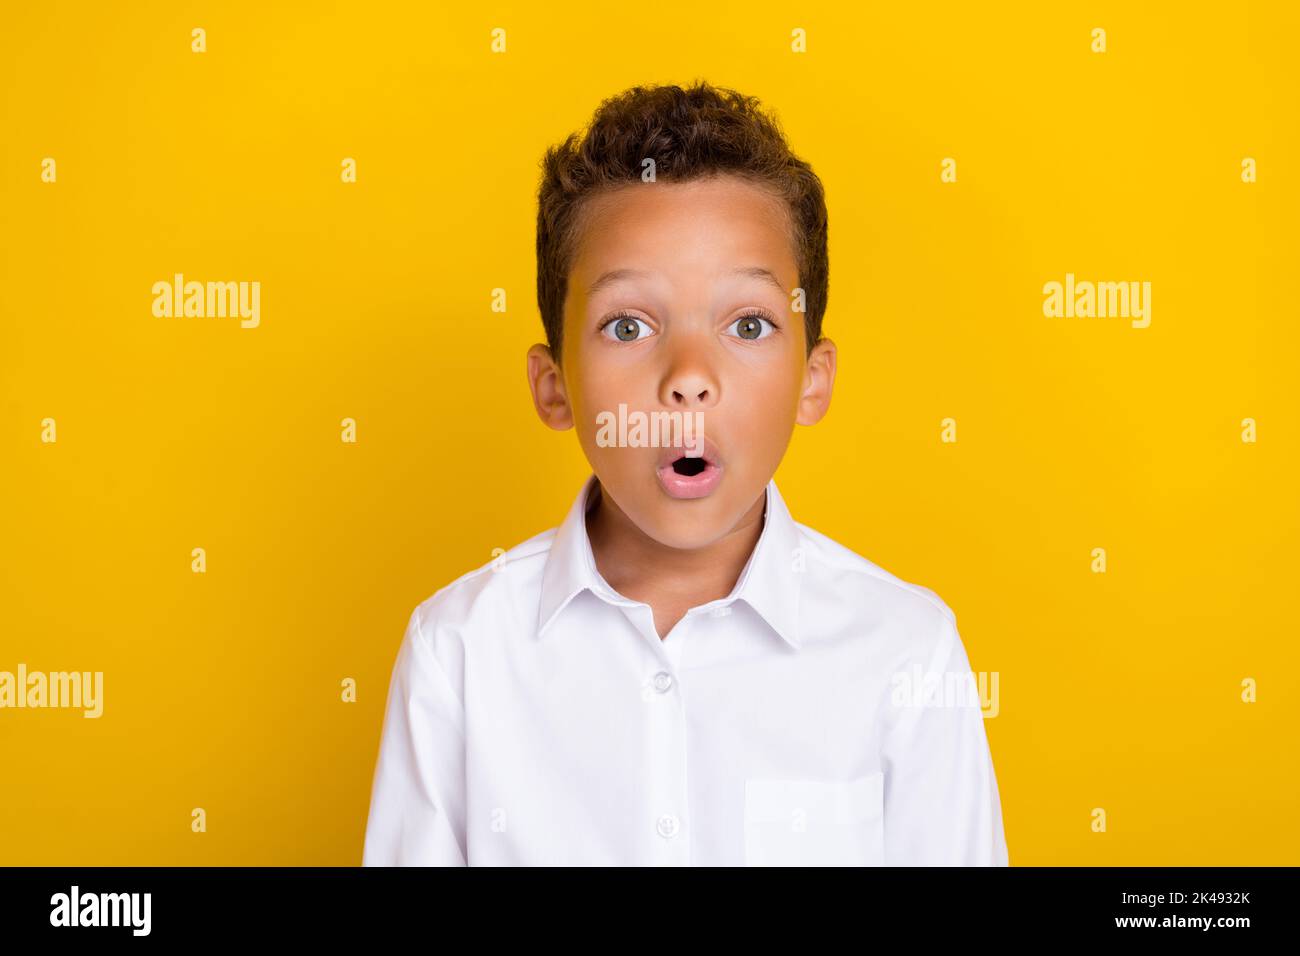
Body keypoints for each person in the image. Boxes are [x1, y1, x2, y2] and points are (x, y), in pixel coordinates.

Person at [362, 80, 1008, 866]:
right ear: (554, 383)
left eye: (748, 323)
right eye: (627, 325)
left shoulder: (906, 653)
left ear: (813, 377)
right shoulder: (458, 654)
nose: (690, 377)